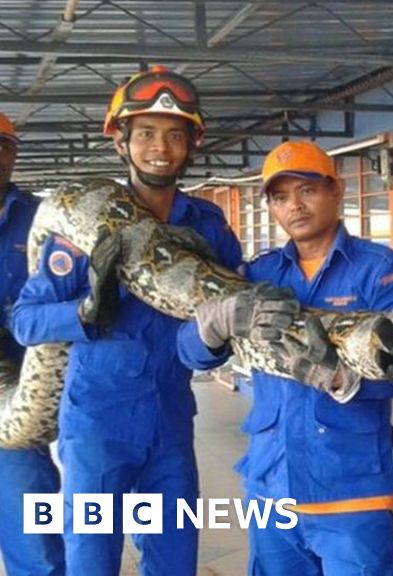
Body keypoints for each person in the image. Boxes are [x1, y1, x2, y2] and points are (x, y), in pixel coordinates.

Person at [11, 67, 244, 576]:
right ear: (120, 142)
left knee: (174, 562)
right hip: (97, 426)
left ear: (192, 144)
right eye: (145, 133)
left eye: (175, 135)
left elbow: (225, 323)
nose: (160, 147)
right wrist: (84, 313)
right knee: (92, 563)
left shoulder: (206, 225)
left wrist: (211, 337)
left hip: (171, 424)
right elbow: (26, 321)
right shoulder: (85, 223)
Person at [176, 139, 393, 576]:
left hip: (350, 487)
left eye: (307, 190)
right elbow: (190, 354)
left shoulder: (380, 271)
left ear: (336, 191)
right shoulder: (259, 274)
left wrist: (348, 381)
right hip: (270, 484)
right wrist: (213, 325)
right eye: (280, 197)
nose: (294, 206)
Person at [0, 113, 65, 576]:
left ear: (14, 154)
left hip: (15, 397)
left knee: (35, 546)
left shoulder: (43, 218)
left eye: (1, 145)